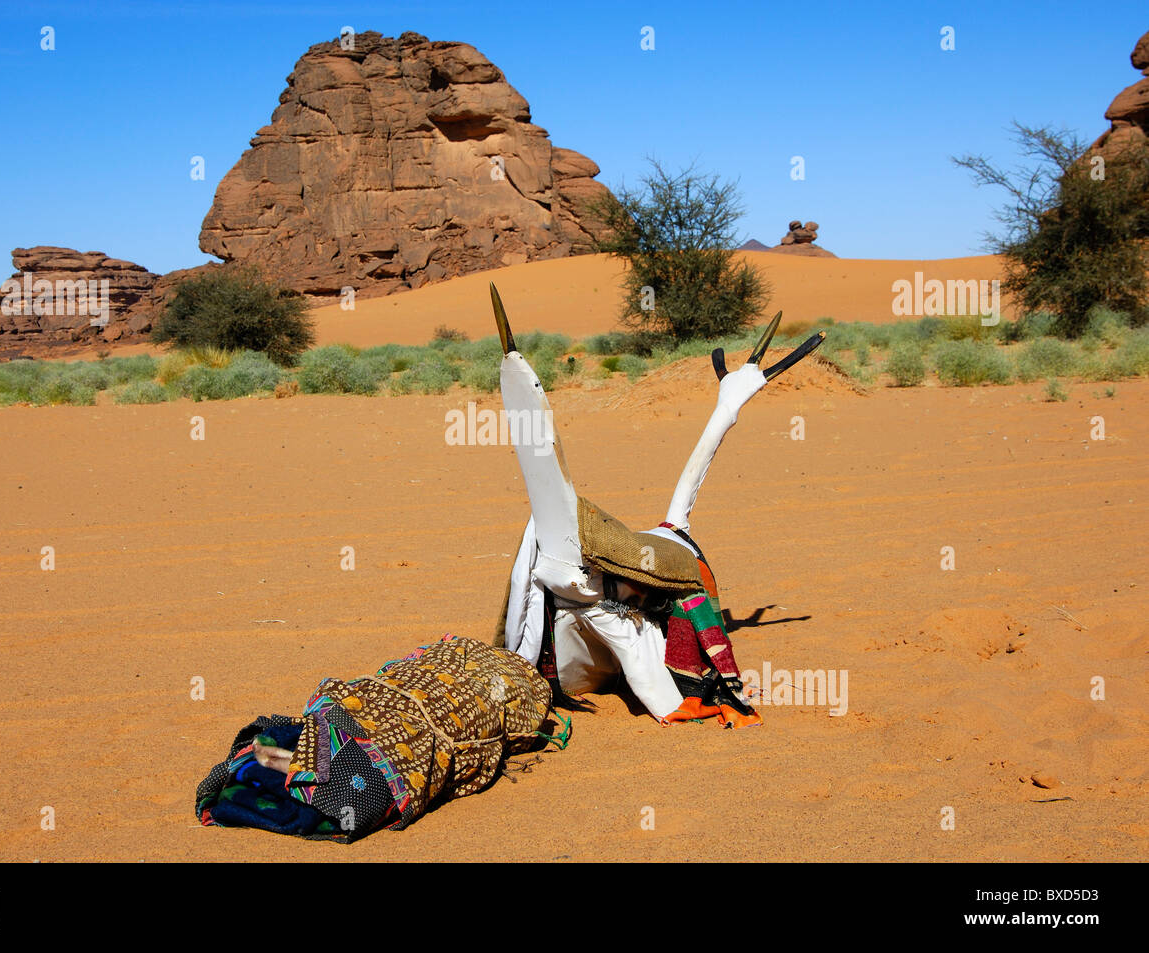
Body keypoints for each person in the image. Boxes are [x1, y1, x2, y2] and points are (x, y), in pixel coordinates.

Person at [490, 285, 822, 726]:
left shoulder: (668, 546)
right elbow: (686, 495)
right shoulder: (670, 544)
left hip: (589, 598)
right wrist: (727, 409)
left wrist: (727, 407)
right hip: (582, 591)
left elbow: (686, 495)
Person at [195, 634, 565, 842]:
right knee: (371, 723)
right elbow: (418, 667)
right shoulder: (476, 661)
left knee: (372, 747)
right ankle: (317, 763)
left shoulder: (494, 674)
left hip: (423, 715)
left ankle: (314, 764)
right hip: (399, 702)